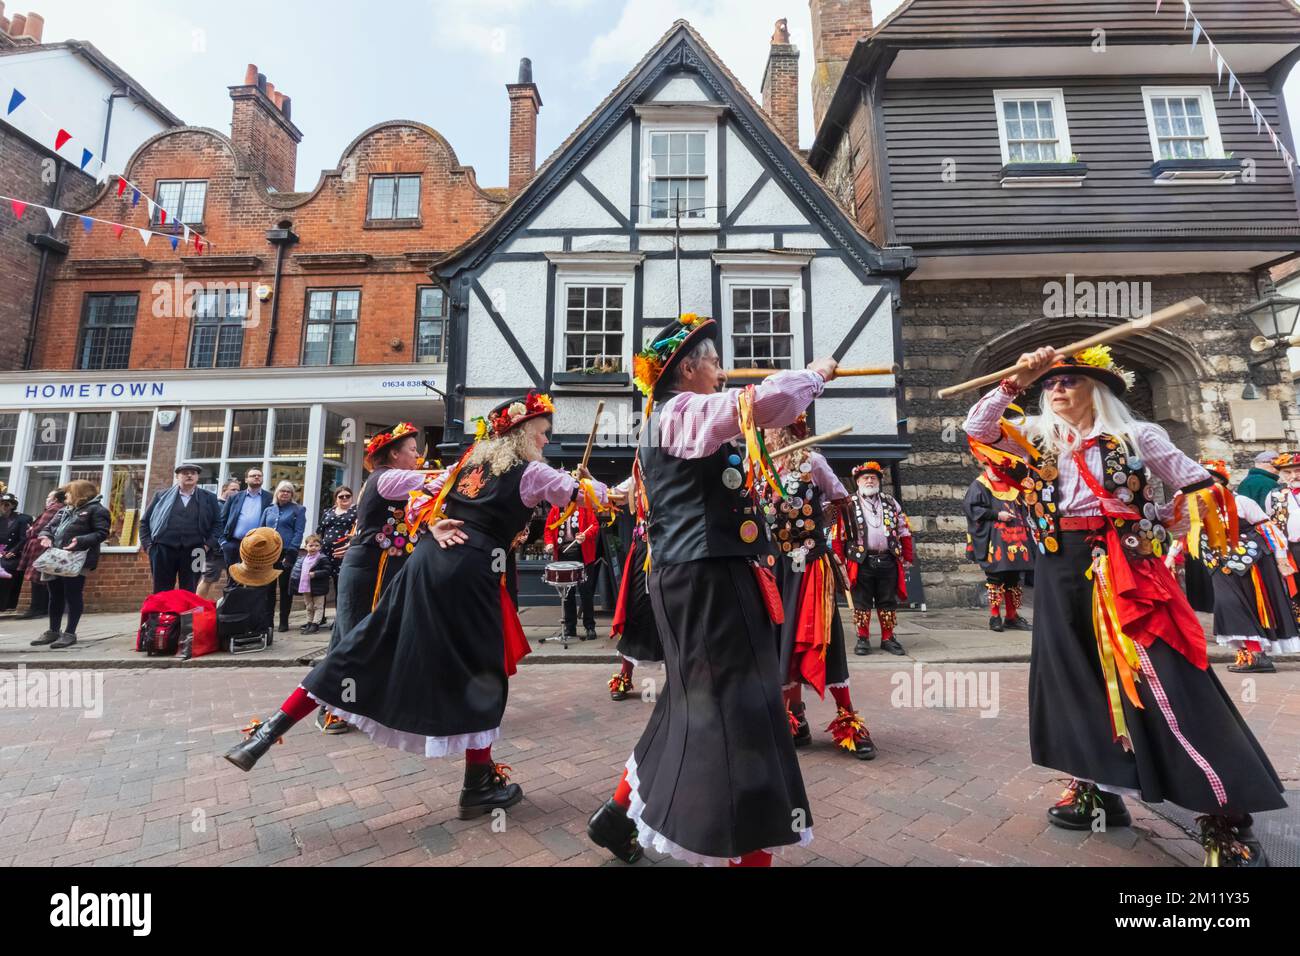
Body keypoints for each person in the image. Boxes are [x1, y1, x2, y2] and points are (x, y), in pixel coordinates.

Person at [963, 343, 1285, 866]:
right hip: (1058, 567)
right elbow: (978, 430)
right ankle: (1100, 789)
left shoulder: (1140, 436)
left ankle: (1223, 814)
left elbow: (1200, 486)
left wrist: (1166, 519)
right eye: (1051, 383)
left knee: (1161, 673)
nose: (1057, 387)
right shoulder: (1039, 441)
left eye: (1069, 379)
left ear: (1101, 388)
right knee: (1075, 680)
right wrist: (1015, 381)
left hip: (1123, 565)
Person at [223, 392, 610, 822]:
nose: (545, 440)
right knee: (483, 668)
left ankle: (269, 729)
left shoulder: (468, 466)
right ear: (521, 433)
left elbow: (427, 500)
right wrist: (616, 489)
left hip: (425, 564)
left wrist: (433, 524)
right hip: (470, 573)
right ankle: (478, 785)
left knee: (366, 644)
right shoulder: (531, 471)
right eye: (542, 433)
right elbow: (588, 497)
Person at [586, 313, 831, 868]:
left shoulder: (664, 421)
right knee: (745, 713)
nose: (721, 373)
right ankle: (747, 852)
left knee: (691, 698)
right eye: (715, 363)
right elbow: (764, 405)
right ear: (689, 367)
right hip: (711, 577)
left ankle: (620, 811)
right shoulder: (682, 411)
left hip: (692, 575)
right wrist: (814, 374)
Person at [763, 417, 875, 759]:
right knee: (782, 643)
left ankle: (848, 721)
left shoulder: (813, 462)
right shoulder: (763, 468)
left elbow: (841, 499)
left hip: (810, 564)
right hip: (778, 567)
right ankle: (794, 719)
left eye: (767, 427)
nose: (762, 433)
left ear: (781, 429)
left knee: (819, 637)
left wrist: (821, 525)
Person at [313, 423, 432, 735]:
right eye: (412, 450)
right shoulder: (389, 478)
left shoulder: (398, 484)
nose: (417, 455)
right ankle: (333, 708)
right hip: (370, 568)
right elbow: (433, 481)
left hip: (389, 566)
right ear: (393, 454)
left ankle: (372, 702)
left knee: (381, 634)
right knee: (352, 636)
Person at [1166, 459, 1299, 675]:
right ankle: (1249, 654)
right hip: (1218, 563)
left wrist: (1281, 558)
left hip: (1249, 562)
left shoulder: (1241, 502)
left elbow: (1267, 528)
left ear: (1220, 482)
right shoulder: (1193, 506)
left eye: (1210, 480)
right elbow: (1184, 533)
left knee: (1243, 605)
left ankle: (1257, 655)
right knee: (1228, 606)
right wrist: (1170, 558)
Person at [29, 480, 110, 650]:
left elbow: (101, 533)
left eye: (68, 492)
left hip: (77, 558)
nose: (65, 495)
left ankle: (70, 633)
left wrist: (79, 540)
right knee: (54, 594)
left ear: (79, 493)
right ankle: (53, 630)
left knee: (73, 594)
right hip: (56, 557)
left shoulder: (97, 510)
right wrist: (46, 537)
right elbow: (48, 527)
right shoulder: (64, 510)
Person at [843, 461, 913, 655]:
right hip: (861, 560)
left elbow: (904, 529)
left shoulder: (891, 502)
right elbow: (839, 534)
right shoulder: (848, 503)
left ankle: (888, 638)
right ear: (857, 481)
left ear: (879, 481)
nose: (869, 480)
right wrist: (840, 562)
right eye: (865, 477)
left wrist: (908, 556)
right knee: (861, 602)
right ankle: (863, 638)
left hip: (888, 559)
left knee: (887, 601)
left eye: (874, 477)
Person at [605, 473, 662, 701]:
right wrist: (587, 484)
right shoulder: (639, 474)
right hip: (643, 552)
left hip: (675, 551)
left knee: (676, 612)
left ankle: (681, 681)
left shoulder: (681, 464)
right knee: (636, 610)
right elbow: (613, 496)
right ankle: (624, 676)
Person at [962, 457, 1035, 632]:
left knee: (1014, 579)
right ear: (986, 466)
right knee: (995, 578)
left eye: (1001, 468)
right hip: (993, 538)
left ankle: (1012, 616)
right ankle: (995, 616)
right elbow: (971, 509)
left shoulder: (1012, 484)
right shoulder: (979, 485)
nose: (998, 472)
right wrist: (996, 515)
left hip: (1016, 538)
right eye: (995, 468)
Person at [139, 463, 221, 594]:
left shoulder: (209, 497)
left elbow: (218, 524)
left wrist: (207, 545)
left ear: (197, 477)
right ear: (177, 477)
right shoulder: (161, 496)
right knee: (161, 589)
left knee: (191, 588)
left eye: (193, 473)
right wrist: (149, 546)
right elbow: (144, 522)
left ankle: (186, 615)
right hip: (163, 550)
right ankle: (162, 614)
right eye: (185, 473)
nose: (189, 475)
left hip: (197, 551)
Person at [543, 498, 600, 640]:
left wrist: (585, 535)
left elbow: (594, 525)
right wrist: (549, 543)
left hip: (582, 553)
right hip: (563, 553)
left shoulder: (583, 507)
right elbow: (549, 528)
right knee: (567, 593)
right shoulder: (556, 509)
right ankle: (570, 627)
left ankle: (590, 627)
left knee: (586, 592)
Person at [260, 481, 306, 633]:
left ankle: (284, 621)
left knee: (285, 587)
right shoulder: (268, 510)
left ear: (292, 494)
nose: (285, 493)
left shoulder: (298, 510)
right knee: (268, 588)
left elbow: (299, 532)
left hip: (286, 552)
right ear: (277, 493)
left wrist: (292, 552)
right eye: (282, 491)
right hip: (268, 553)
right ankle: (268, 622)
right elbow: (261, 530)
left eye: (288, 491)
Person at [17, 489, 66, 619]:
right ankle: (41, 607)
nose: (47, 499)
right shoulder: (59, 509)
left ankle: (36, 608)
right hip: (45, 545)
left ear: (55, 499)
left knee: (37, 577)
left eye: (49, 496)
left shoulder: (53, 509)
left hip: (40, 546)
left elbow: (37, 529)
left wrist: (30, 530)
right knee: (43, 577)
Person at [197, 477, 242, 601]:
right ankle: (197, 607)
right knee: (207, 579)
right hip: (215, 551)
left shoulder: (235, 506)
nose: (236, 493)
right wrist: (209, 545)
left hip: (232, 549)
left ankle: (215, 608)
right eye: (233, 489)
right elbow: (208, 526)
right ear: (224, 490)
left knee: (235, 580)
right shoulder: (215, 504)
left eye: (238, 490)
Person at [220, 468, 272, 573]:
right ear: (246, 480)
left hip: (258, 545)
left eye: (259, 475)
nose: (257, 477)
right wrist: (223, 542)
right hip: (234, 544)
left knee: (253, 576)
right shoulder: (235, 497)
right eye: (253, 476)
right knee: (233, 576)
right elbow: (222, 520)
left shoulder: (270, 498)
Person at [315, 485, 357, 594]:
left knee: (340, 584)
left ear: (352, 497)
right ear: (336, 498)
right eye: (341, 496)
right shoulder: (328, 512)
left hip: (343, 553)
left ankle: (340, 611)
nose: (344, 498)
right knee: (321, 584)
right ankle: (320, 611)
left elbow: (360, 531)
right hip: (325, 553)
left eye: (347, 496)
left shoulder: (357, 511)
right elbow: (320, 531)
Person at [290, 534, 332, 634]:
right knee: (309, 606)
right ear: (305, 547)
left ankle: (315, 624)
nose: (314, 547)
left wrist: (315, 574)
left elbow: (327, 571)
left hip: (318, 587)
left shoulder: (322, 558)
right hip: (305, 586)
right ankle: (309, 622)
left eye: (316, 545)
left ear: (320, 547)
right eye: (311, 545)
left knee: (318, 606)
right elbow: (296, 572)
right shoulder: (302, 559)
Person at [0, 492, 33, 611]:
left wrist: (13, 551)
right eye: (1, 504)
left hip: (15, 555)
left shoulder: (21, 519)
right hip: (1, 553)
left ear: (13, 505)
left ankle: (8, 606)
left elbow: (24, 538)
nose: (4, 507)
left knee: (9, 577)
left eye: (7, 504)